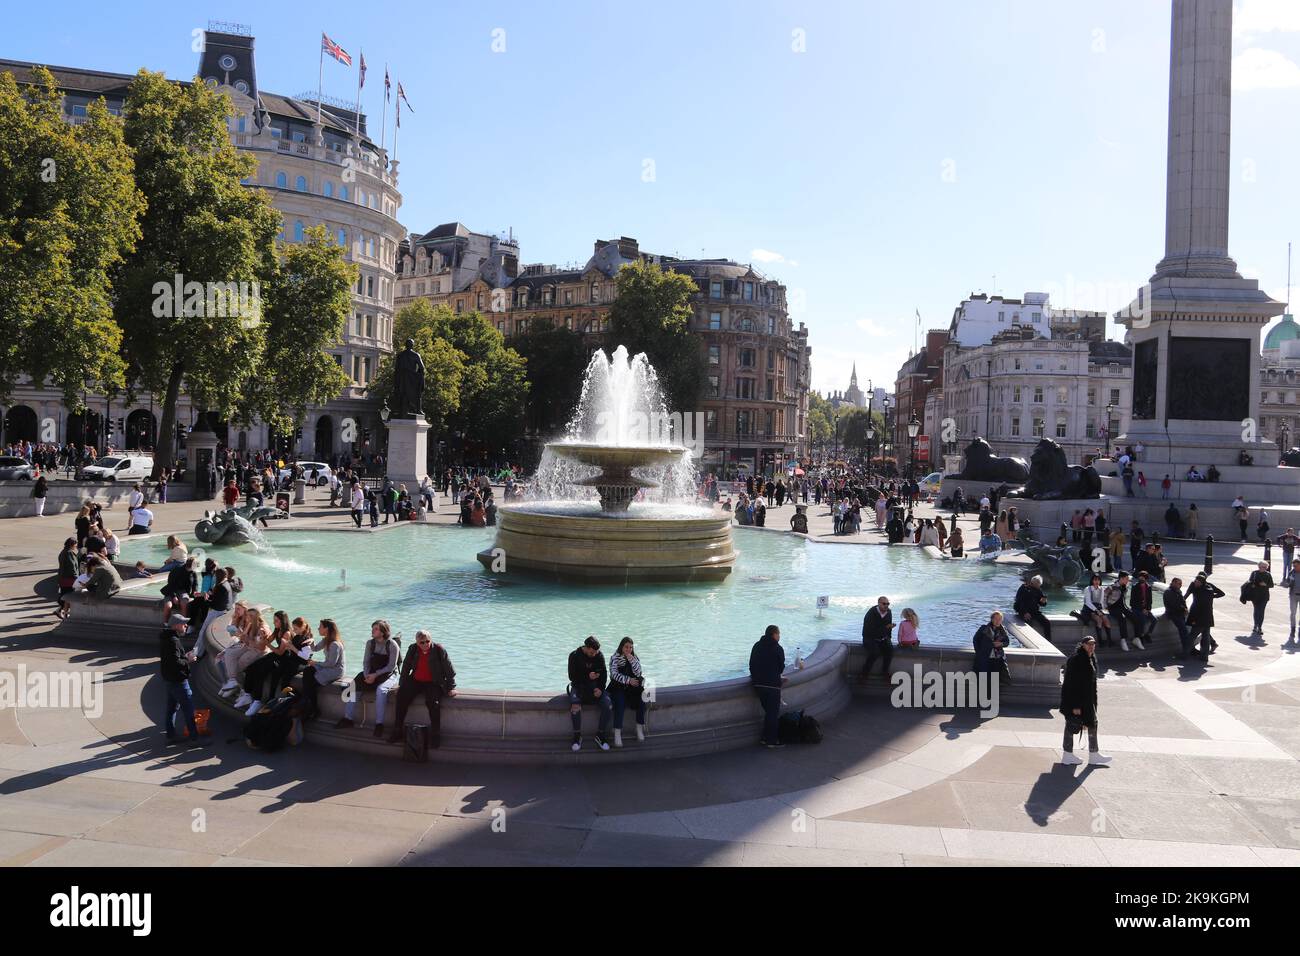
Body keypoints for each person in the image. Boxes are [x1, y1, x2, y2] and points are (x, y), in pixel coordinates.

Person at [387, 629, 457, 747]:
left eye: (427, 641)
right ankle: (397, 730)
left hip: (433, 682)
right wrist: (401, 685)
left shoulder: (439, 650)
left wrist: (451, 687)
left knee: (433, 703)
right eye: (422, 642)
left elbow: (449, 670)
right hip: (416, 680)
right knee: (401, 698)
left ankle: (435, 735)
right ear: (417, 642)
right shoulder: (413, 649)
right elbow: (405, 668)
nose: (425, 644)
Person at [337, 620, 402, 736]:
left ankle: (379, 724)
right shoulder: (370, 643)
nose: (373, 630)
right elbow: (366, 662)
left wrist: (375, 675)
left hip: (389, 674)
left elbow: (391, 667)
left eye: (376, 629)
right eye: (373, 628)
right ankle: (348, 718)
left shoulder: (392, 645)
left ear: (383, 632)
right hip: (371, 672)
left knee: (381, 690)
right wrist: (367, 675)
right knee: (353, 687)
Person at [1059, 636, 1111, 766]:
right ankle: (1068, 755)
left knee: (1092, 724)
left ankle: (1093, 755)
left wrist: (1094, 701)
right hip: (1076, 700)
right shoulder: (1076, 660)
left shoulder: (1091, 658)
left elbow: (1092, 683)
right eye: (1089, 644)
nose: (1092, 646)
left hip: (1087, 700)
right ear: (1082, 645)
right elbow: (1071, 683)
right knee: (1072, 724)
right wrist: (1075, 705)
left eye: (1093, 644)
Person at [160, 613, 205, 746]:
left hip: (169, 679)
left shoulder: (166, 638)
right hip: (178, 680)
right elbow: (176, 662)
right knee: (189, 709)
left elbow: (171, 659)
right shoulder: (173, 640)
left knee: (172, 708)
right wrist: (188, 659)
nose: (186, 626)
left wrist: (184, 656)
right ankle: (194, 738)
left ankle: (171, 735)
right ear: (176, 625)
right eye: (184, 624)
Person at [567, 636, 612, 752]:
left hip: (595, 688)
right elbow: (572, 677)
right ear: (586, 648)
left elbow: (604, 675)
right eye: (592, 652)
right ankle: (577, 736)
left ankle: (600, 735)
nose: (594, 654)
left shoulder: (599, 655)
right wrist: (588, 677)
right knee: (575, 707)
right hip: (579, 687)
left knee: (608, 705)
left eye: (596, 652)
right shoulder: (574, 656)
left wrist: (601, 689)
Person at [299, 619, 346, 720]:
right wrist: (312, 640)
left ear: (326, 629)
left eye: (320, 627)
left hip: (335, 670)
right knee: (308, 671)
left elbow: (331, 663)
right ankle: (308, 704)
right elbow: (315, 648)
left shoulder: (334, 644)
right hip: (328, 666)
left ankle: (311, 707)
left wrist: (315, 663)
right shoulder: (326, 640)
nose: (318, 628)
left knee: (310, 682)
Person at [749, 624, 786, 749]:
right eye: (778, 634)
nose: (779, 636)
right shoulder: (778, 648)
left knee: (768, 712)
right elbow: (781, 667)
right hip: (772, 686)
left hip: (758, 684)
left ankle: (765, 738)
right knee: (772, 713)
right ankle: (771, 740)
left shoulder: (757, 645)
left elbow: (751, 664)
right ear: (774, 634)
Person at [607, 637, 648, 747]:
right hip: (618, 687)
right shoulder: (614, 657)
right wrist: (628, 680)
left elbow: (639, 673)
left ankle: (639, 727)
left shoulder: (634, 657)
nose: (628, 649)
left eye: (631, 647)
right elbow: (613, 674)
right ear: (621, 646)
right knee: (620, 703)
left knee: (642, 699)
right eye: (626, 647)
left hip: (632, 687)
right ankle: (617, 732)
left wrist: (632, 660)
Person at [1186, 572, 1224, 662]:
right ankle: (1204, 656)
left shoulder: (1200, 589)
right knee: (1205, 636)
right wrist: (1212, 596)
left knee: (1192, 636)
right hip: (1208, 617)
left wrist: (1212, 597)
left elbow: (1188, 597)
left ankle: (1184, 653)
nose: (1195, 582)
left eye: (1197, 580)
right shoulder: (1209, 587)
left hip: (1199, 617)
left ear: (1201, 581)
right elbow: (1221, 593)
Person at [972, 610, 1012, 683]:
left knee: (995, 679)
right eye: (996, 619)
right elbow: (975, 640)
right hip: (985, 657)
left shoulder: (1003, 630)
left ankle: (994, 693)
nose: (997, 621)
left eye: (999, 619)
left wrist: (1001, 644)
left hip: (997, 658)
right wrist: (978, 652)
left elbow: (1007, 642)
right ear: (992, 619)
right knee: (983, 678)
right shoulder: (984, 628)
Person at [861, 595, 895, 679]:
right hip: (869, 638)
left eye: (888, 604)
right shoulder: (871, 613)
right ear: (878, 604)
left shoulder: (889, 612)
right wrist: (886, 628)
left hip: (883, 638)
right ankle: (863, 674)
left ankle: (885, 672)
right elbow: (869, 630)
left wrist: (889, 638)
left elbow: (889, 627)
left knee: (890, 650)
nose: (886, 605)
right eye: (884, 604)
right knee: (875, 653)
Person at [1013, 575, 1052, 639]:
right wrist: (1025, 612)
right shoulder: (1023, 588)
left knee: (1046, 622)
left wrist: (1044, 601)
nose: (1037, 586)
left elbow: (1042, 604)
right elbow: (1019, 602)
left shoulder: (1038, 590)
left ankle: (1048, 641)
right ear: (1032, 582)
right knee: (1029, 624)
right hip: (1023, 610)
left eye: (1038, 585)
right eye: (1036, 584)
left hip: (1034, 611)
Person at [1163, 577, 1194, 659]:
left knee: (1184, 632)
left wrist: (1185, 608)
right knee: (1184, 632)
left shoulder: (1177, 591)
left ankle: (1187, 650)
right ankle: (1186, 652)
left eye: (1180, 584)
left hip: (1180, 614)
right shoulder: (1168, 592)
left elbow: (1182, 601)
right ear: (1173, 582)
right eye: (1178, 583)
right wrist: (1183, 609)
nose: (1180, 585)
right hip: (1174, 614)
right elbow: (1174, 604)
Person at [1080, 573, 1113, 645]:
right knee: (1099, 620)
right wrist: (1097, 611)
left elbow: (1101, 602)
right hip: (1088, 609)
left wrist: (1103, 609)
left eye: (1098, 580)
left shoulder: (1102, 589)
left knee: (1106, 620)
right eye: (1095, 580)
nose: (1097, 581)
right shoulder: (1087, 589)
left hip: (1098, 608)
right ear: (1092, 580)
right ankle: (1100, 641)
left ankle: (1109, 640)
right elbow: (1088, 603)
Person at [1247, 561, 1274, 641]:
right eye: (1261, 567)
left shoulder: (1268, 574)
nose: (1262, 568)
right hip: (1255, 595)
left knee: (1261, 611)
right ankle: (1255, 625)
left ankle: (1259, 627)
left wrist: (1265, 585)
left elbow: (1271, 585)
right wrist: (1253, 584)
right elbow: (1250, 582)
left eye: (1264, 567)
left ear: (1266, 567)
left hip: (1264, 596)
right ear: (1258, 566)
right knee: (1256, 610)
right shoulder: (1254, 573)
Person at [56, 537, 79, 620]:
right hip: (69, 579)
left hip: (63, 578)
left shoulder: (63, 552)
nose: (76, 547)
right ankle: (64, 612)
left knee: (65, 595)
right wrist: (77, 578)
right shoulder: (69, 553)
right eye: (75, 545)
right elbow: (72, 567)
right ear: (72, 545)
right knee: (69, 597)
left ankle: (61, 611)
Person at [1132, 571, 1157, 642]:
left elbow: (1150, 601)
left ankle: (1148, 634)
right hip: (1136, 608)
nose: (1141, 578)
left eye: (1143, 577)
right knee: (1142, 619)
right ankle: (1141, 635)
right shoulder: (1135, 587)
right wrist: (1142, 609)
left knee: (1154, 620)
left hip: (1146, 609)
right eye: (1140, 577)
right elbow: (1132, 602)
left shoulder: (1148, 587)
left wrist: (1148, 609)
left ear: (1146, 578)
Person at [1287, 559, 1300, 646]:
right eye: (1293, 566)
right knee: (1293, 613)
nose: (1294, 567)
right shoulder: (1292, 572)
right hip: (1293, 595)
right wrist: (1289, 581)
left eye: (1296, 566)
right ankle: (1293, 629)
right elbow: (1288, 582)